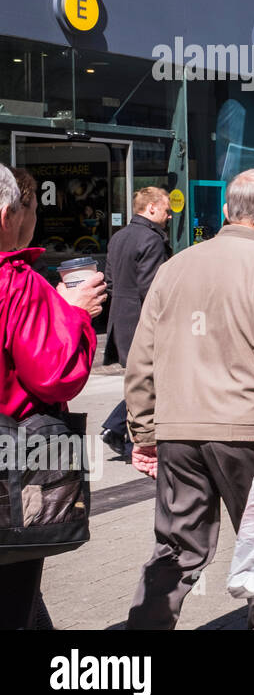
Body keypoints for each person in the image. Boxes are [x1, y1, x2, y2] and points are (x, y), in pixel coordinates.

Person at [124, 169, 254, 630]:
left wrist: (143, 431)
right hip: (248, 432)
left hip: (179, 431)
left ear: (227, 211)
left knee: (174, 549)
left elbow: (141, 357)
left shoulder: (175, 266)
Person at [0, 165, 105, 629]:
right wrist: (72, 313)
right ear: (7, 214)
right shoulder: (15, 283)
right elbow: (56, 375)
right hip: (11, 474)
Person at [100, 186, 172, 458]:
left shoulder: (119, 237)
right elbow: (153, 288)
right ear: (151, 208)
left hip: (121, 320)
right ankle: (121, 431)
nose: (169, 216)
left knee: (143, 379)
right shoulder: (152, 240)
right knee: (150, 380)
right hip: (144, 322)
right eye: (166, 210)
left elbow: (110, 281)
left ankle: (116, 428)